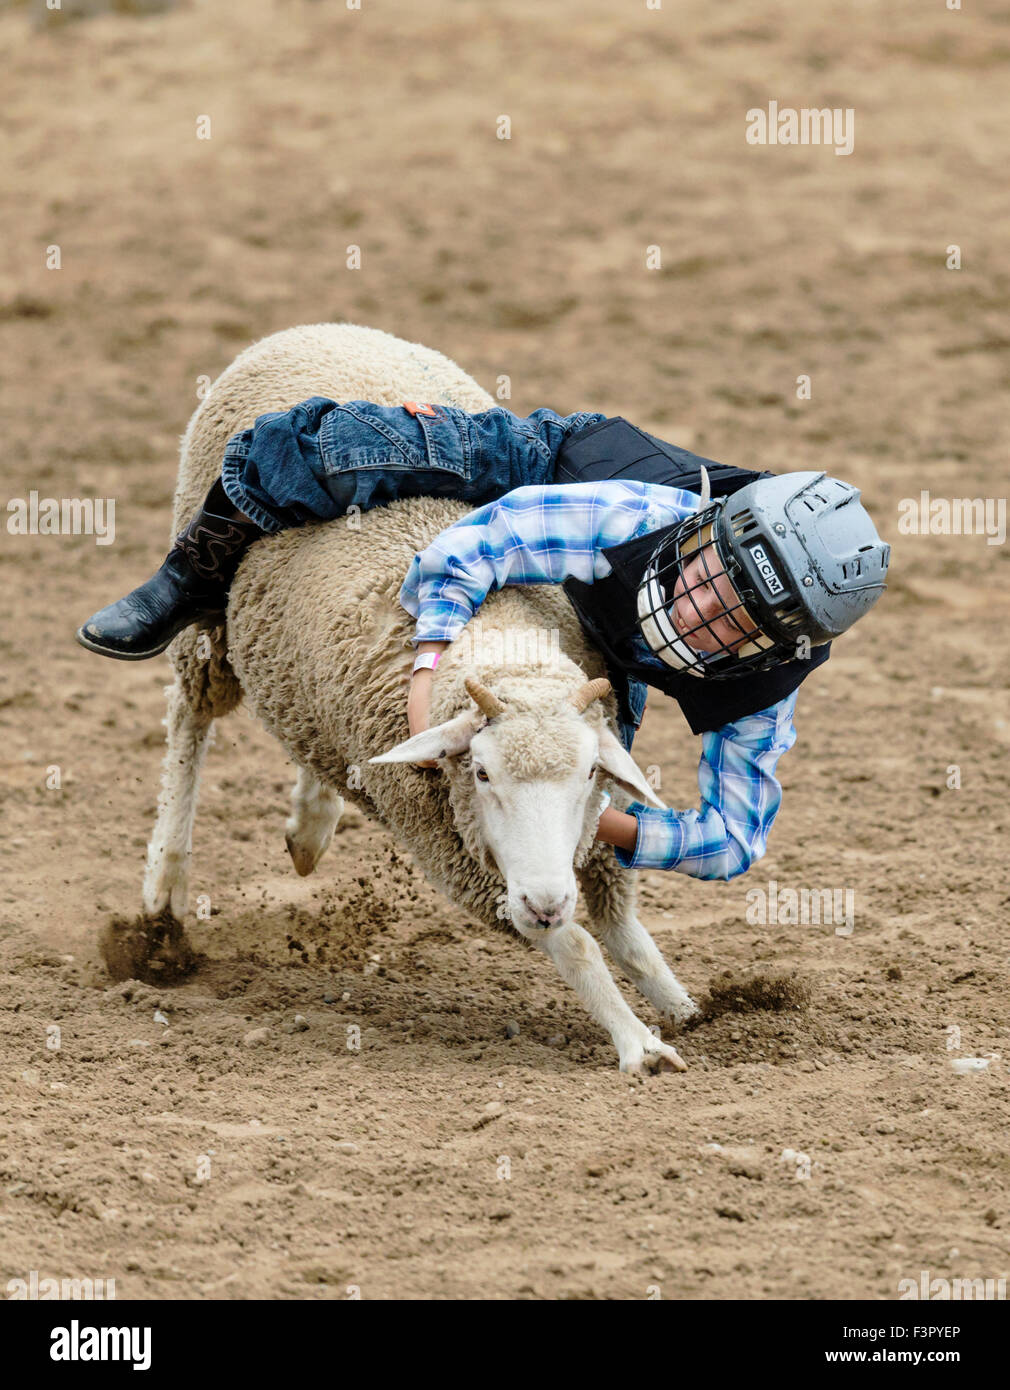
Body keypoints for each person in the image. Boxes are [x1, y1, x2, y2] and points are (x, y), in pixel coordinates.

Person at [76, 398, 889, 878]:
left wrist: (580, 806)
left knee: (563, 785)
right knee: (322, 447)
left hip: (606, 654)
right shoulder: (635, 513)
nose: (706, 611)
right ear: (706, 530)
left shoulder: (762, 692)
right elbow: (475, 549)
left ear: (779, 648)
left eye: (743, 619)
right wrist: (427, 671)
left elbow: (733, 839)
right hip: (543, 469)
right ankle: (189, 576)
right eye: (715, 574)